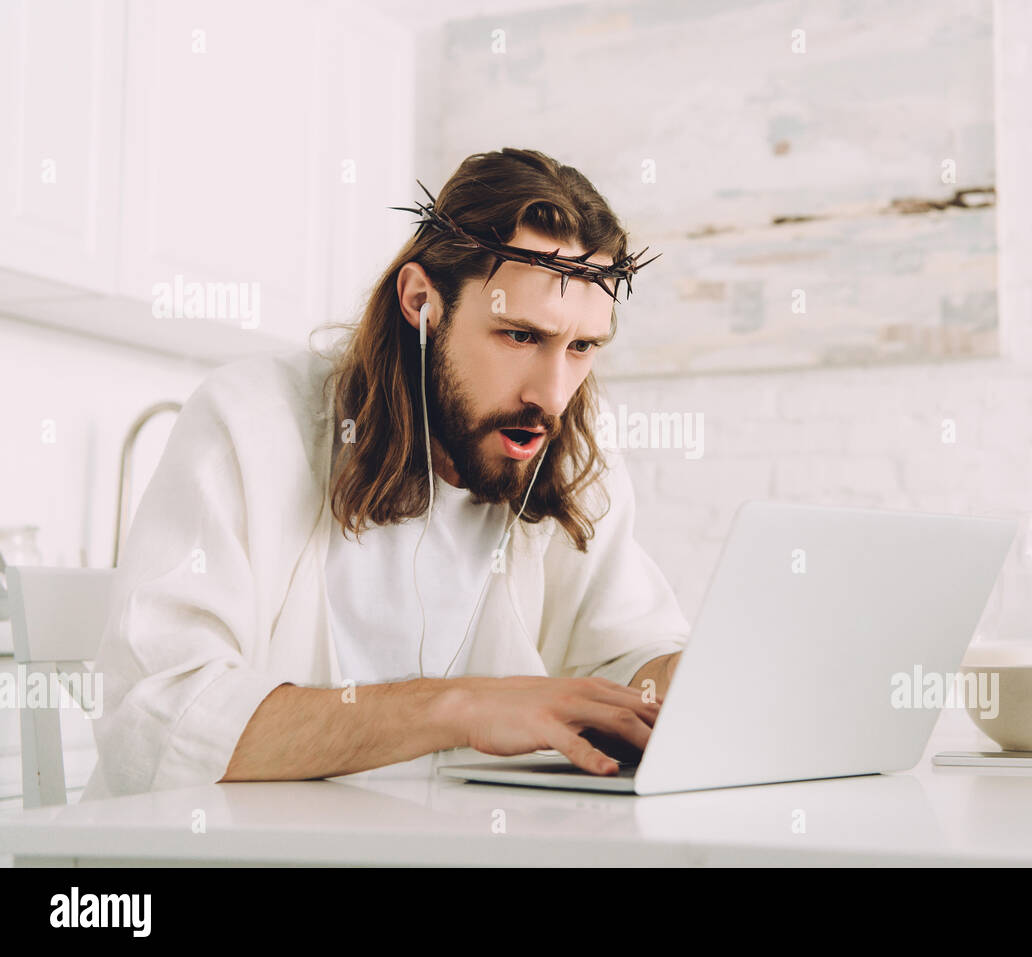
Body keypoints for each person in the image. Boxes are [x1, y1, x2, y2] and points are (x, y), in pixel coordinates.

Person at [83, 148, 689, 799]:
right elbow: (156, 719)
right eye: (519, 336)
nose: (553, 392)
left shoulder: (569, 460)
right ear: (422, 302)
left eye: (581, 347)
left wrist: (697, 677)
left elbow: (620, 664)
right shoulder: (251, 422)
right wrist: (459, 707)